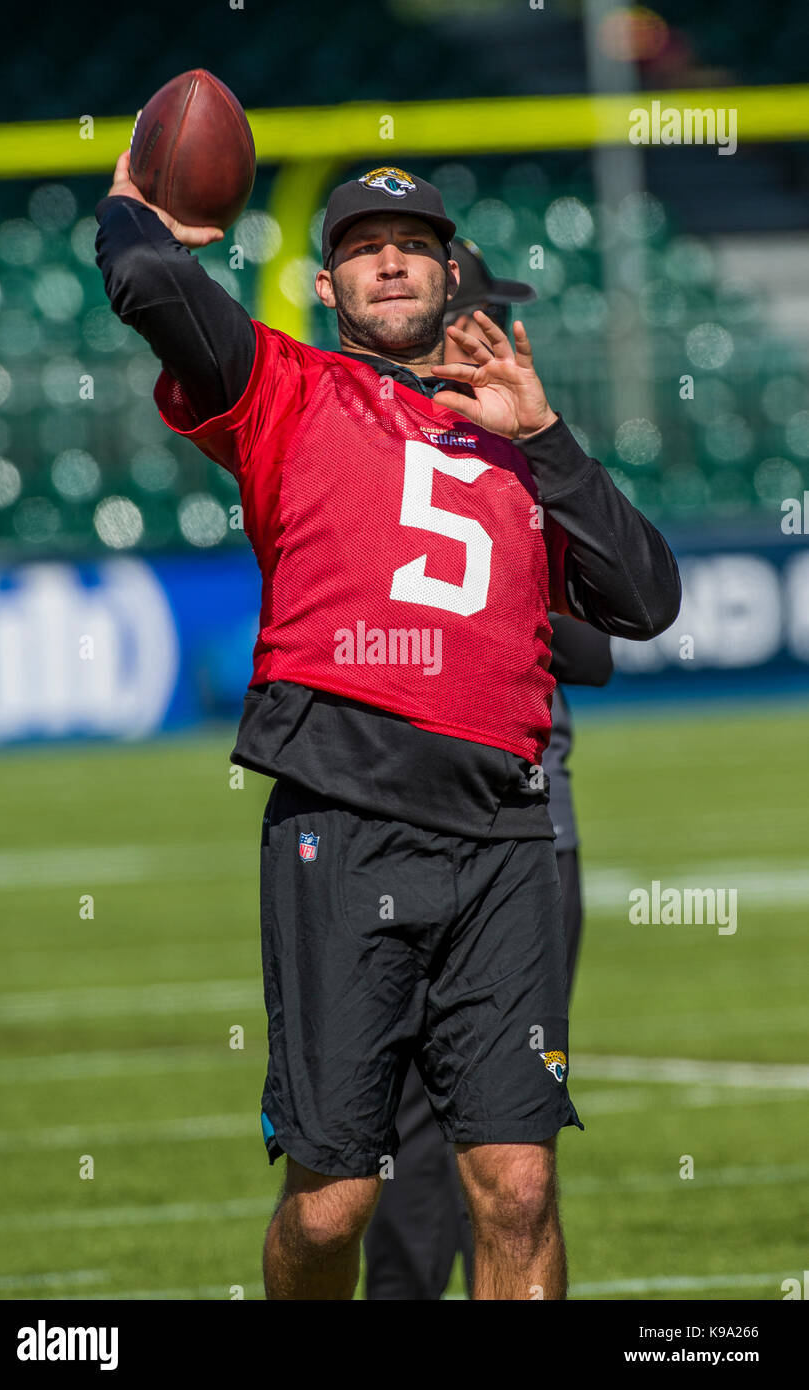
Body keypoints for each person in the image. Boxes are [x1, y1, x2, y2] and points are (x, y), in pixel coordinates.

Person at [95, 154, 681, 1300]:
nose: (391, 260)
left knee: (515, 1186)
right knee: (331, 1202)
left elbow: (644, 603)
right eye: (363, 247)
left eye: (412, 242)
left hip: (506, 840)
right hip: (343, 823)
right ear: (326, 285)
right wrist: (138, 209)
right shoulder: (284, 389)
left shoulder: (517, 438)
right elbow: (148, 284)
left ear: (452, 269)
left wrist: (548, 437)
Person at [364, 240, 613, 1300]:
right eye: (483, 310)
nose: (499, 330)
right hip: (439, 827)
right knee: (409, 1130)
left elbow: (601, 639)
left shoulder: (526, 447)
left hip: (523, 834)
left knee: (502, 1143)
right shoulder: (385, 444)